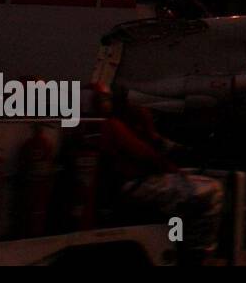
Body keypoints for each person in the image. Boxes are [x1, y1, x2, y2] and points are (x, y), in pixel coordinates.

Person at [95, 83, 223, 263]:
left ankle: (177, 241)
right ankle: (198, 253)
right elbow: (147, 156)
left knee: (182, 197)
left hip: (129, 185)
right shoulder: (112, 126)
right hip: (133, 186)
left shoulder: (106, 125)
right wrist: (170, 162)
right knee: (211, 191)